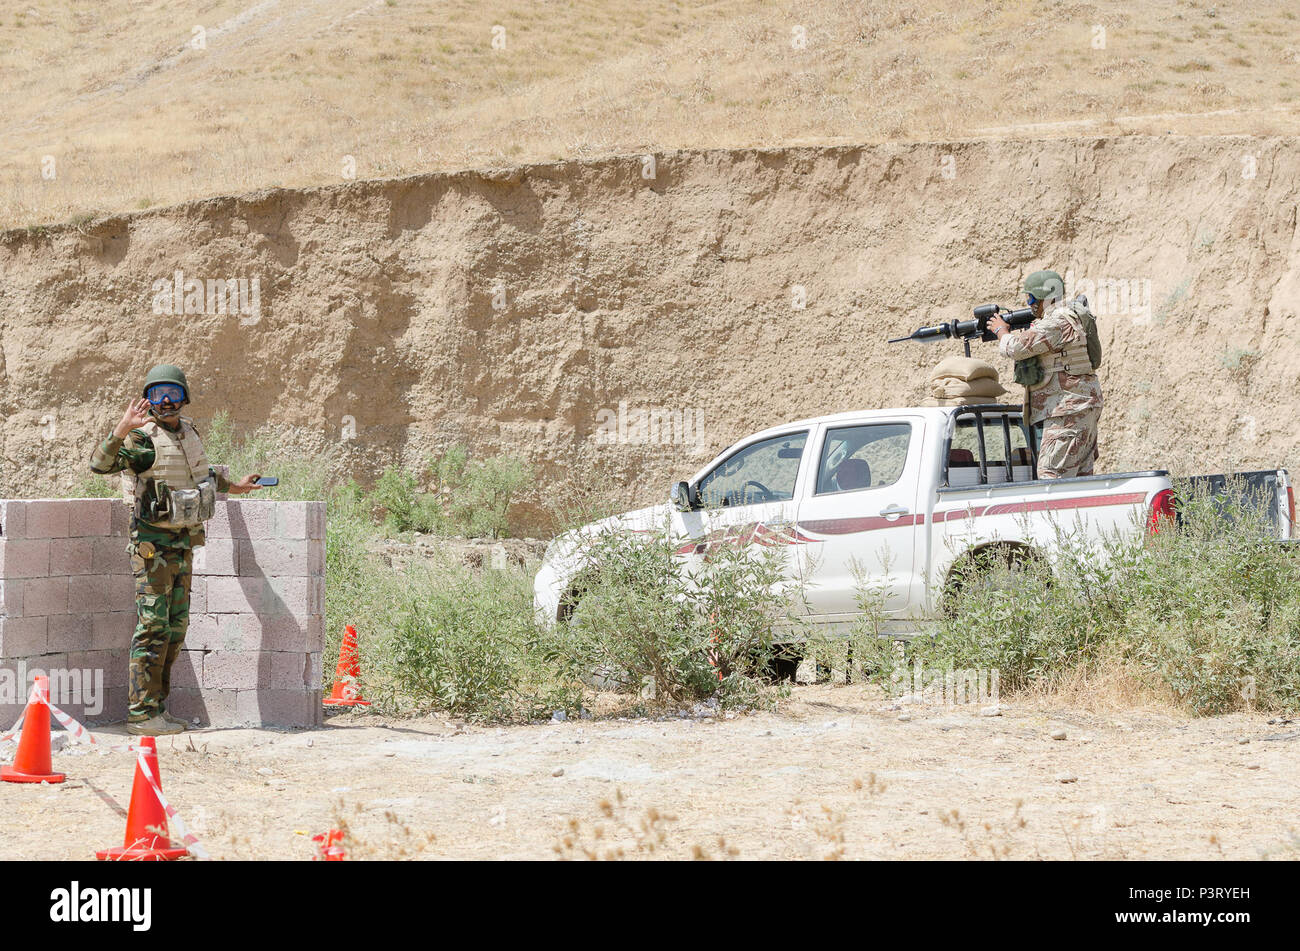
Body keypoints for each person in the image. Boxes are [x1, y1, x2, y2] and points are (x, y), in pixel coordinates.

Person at [89, 364, 265, 735]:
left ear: (184, 396)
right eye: (157, 394)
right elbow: (99, 464)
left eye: (172, 393)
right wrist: (122, 428)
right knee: (152, 627)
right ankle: (140, 715)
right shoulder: (141, 439)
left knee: (175, 628)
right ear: (148, 399)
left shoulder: (188, 434)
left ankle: (158, 710)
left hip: (183, 544)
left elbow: (202, 478)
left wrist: (237, 487)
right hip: (152, 548)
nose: (166, 401)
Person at [987, 270, 1103, 479]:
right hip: (1080, 409)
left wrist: (1000, 330)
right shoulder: (1069, 316)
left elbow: (1015, 347)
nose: (1029, 303)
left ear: (1043, 298)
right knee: (1079, 483)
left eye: (1030, 298)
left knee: (1051, 477)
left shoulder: (1056, 322)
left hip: (1068, 413)